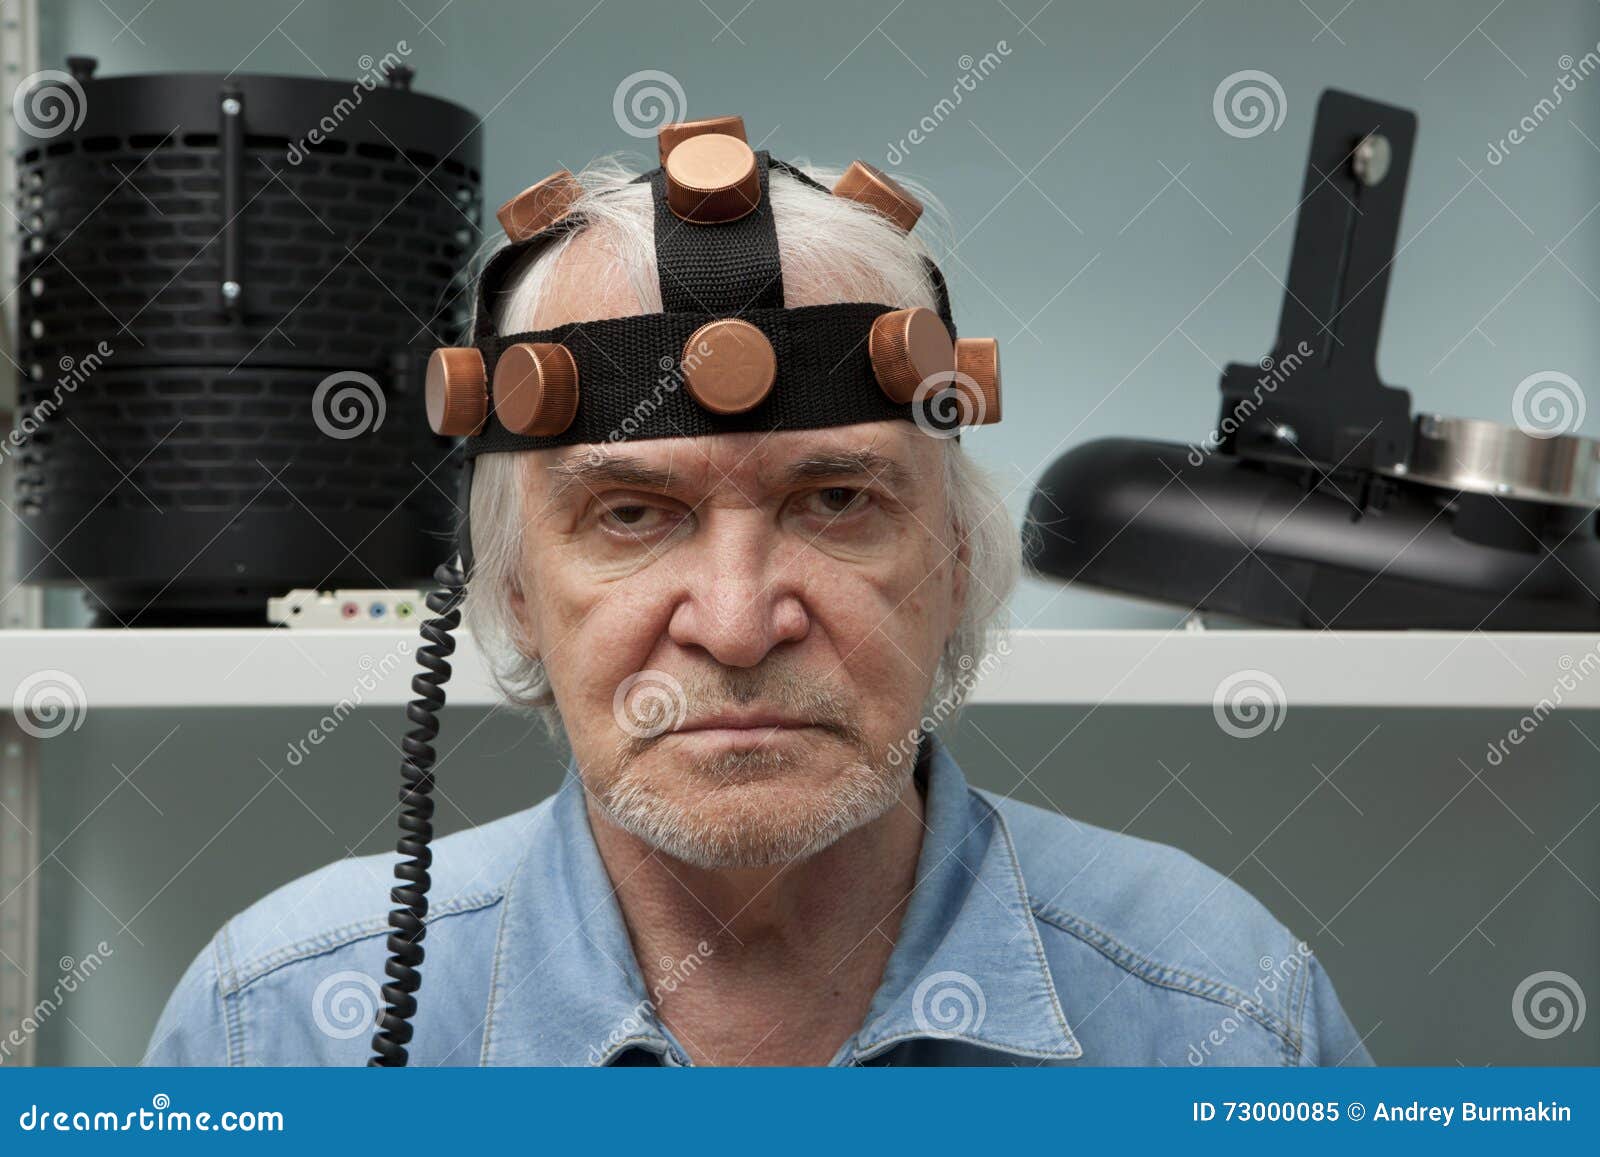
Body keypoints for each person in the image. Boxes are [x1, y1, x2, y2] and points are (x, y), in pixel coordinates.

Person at [144, 150, 1371, 1068]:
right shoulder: (282, 1022)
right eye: (630, 514)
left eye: (835, 499)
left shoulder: (1221, 1010)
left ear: (954, 562)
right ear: (516, 590)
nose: (735, 626)